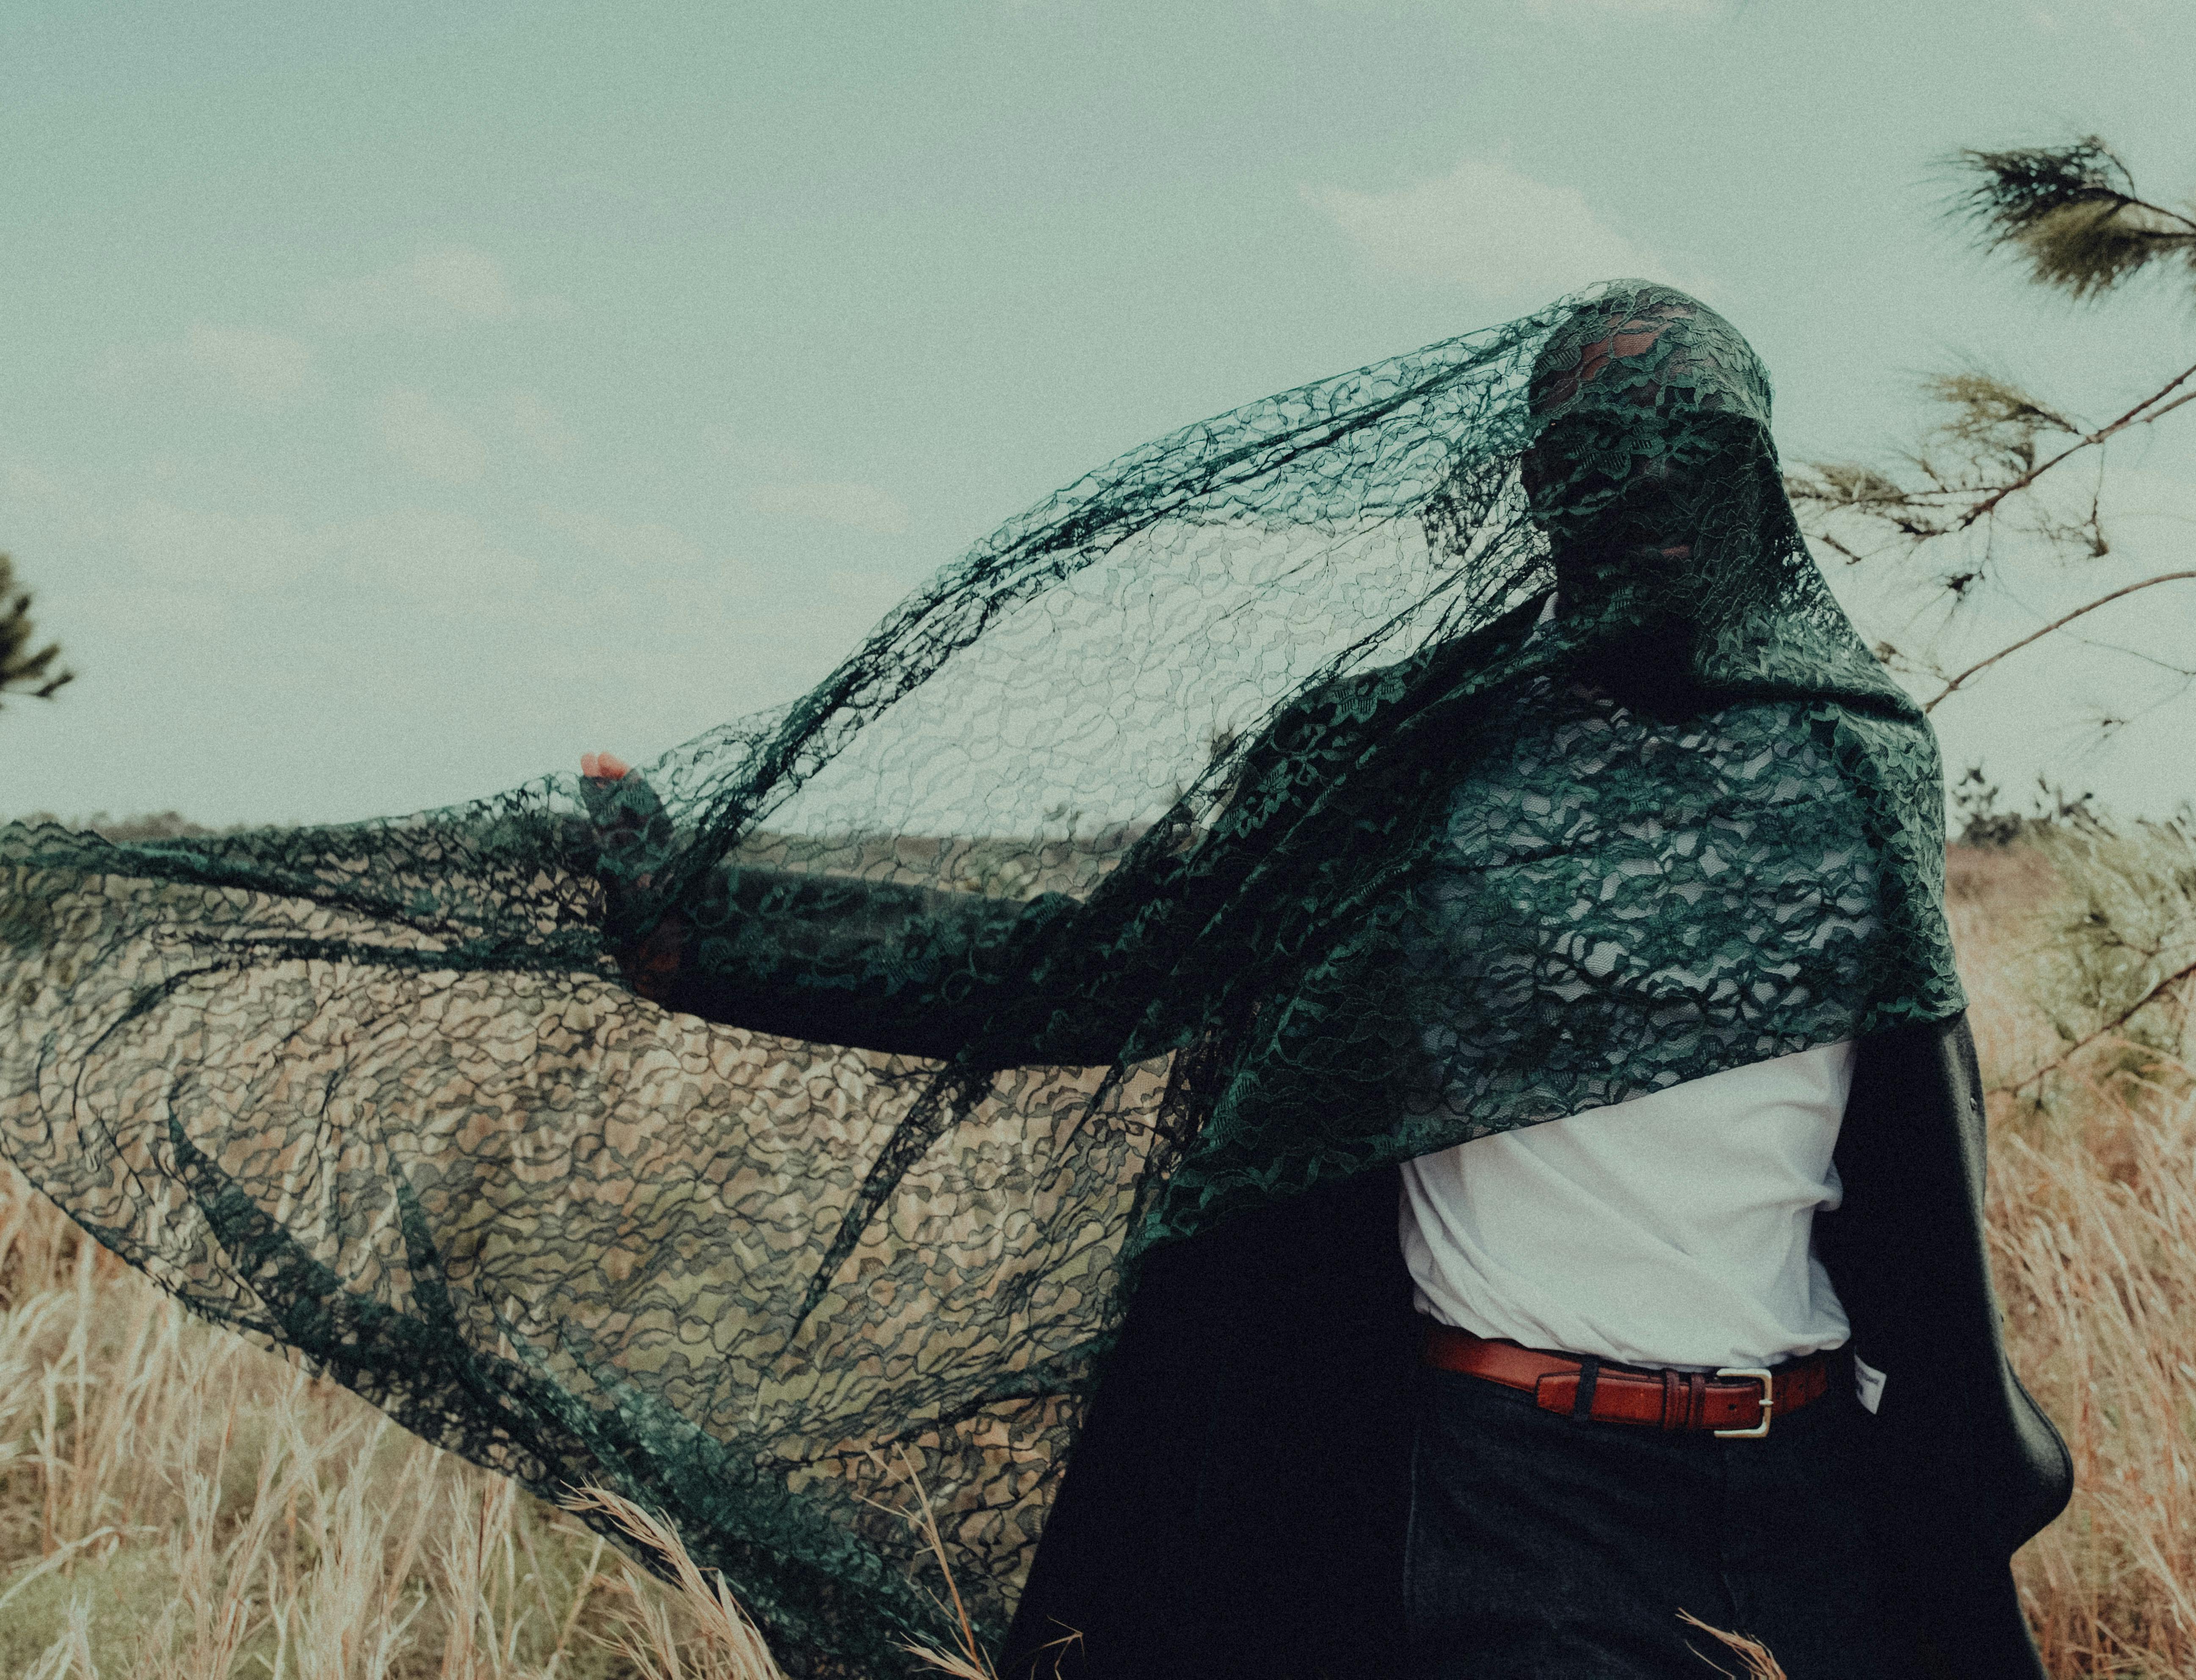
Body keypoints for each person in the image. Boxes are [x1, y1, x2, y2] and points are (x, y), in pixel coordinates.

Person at [0, 285, 2067, 1679]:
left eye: (1680, 457)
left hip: (1805, 1501)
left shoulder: (1853, 763)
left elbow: (1911, 1177)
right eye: (1594, 456)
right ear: (1531, 487)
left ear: (1755, 481)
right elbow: (1083, 968)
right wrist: (699, 920)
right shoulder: (1403, 767)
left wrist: (1941, 1498)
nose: (1634, 498)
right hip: (1495, 1502)